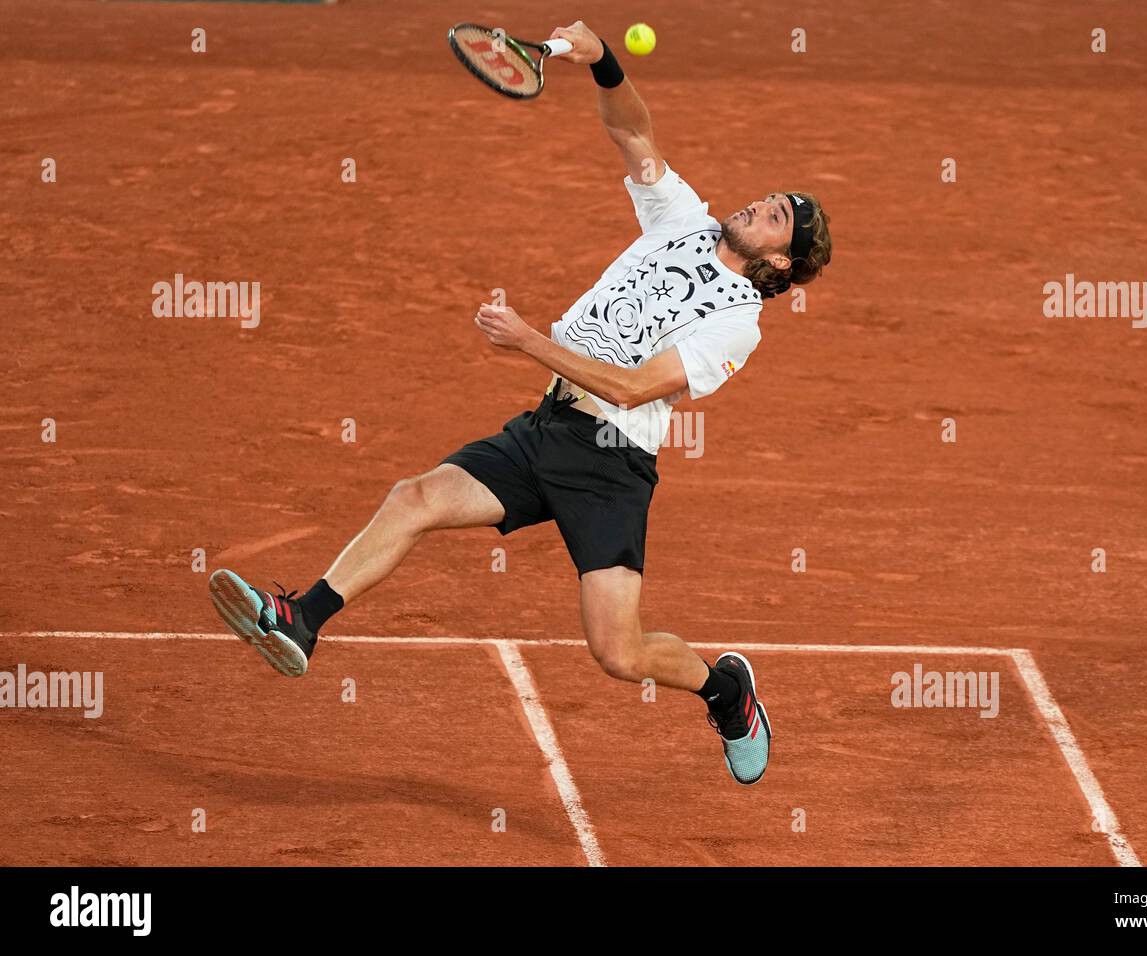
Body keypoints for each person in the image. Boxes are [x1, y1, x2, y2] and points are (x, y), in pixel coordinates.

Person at [209, 20, 832, 786]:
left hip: (610, 461)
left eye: (774, 217)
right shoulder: (686, 219)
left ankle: (726, 690)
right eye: (766, 199)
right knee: (415, 498)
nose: (755, 207)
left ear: (779, 259)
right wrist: (601, 58)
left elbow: (634, 387)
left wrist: (530, 339)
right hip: (544, 429)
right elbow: (633, 132)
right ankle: (303, 622)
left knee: (617, 652)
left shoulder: (740, 322)